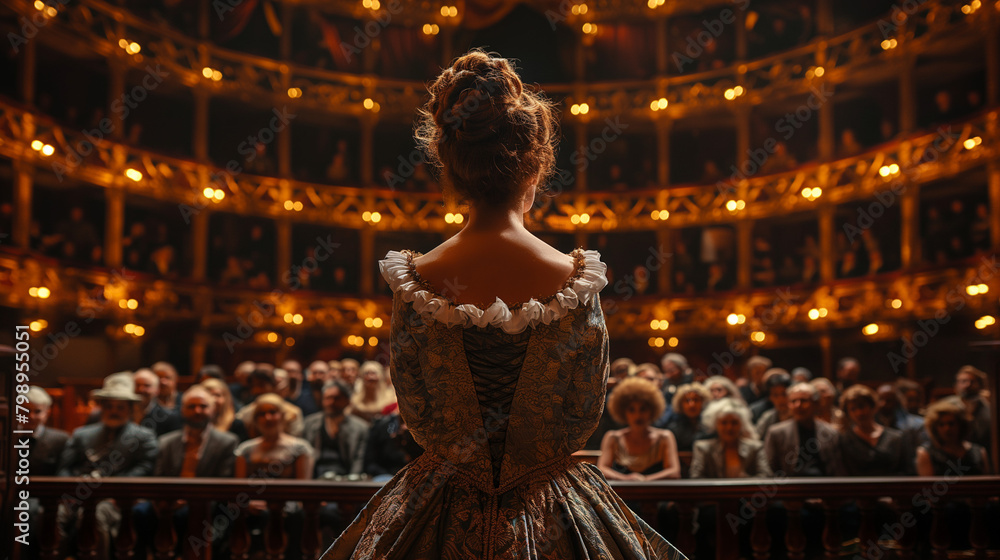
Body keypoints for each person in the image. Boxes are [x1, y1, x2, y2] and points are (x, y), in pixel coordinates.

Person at [320, 50, 684, 560]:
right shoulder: (575, 279)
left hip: (438, 507)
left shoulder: (416, 279)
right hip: (549, 508)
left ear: (452, 172)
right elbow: (583, 410)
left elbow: (417, 410)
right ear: (534, 171)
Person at [57, 374, 158, 558]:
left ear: (129, 409)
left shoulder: (144, 437)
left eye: (120, 407)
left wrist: (114, 489)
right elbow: (65, 466)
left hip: (117, 499)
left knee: (95, 516)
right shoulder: (82, 434)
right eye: (109, 406)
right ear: (101, 407)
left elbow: (145, 468)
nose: (114, 411)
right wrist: (68, 490)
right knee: (52, 515)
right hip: (78, 494)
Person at [236, 394, 314, 560]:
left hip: (289, 505)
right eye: (261, 414)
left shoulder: (300, 448)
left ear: (283, 416)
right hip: (254, 505)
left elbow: (303, 488)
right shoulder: (245, 449)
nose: (268, 418)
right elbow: (240, 487)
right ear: (255, 420)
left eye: (273, 412)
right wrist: (249, 503)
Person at [599, 377, 682, 481]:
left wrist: (645, 480)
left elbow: (674, 472)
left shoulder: (665, 437)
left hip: (656, 490)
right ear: (623, 412)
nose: (637, 415)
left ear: (652, 410)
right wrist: (625, 479)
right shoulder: (612, 437)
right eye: (631, 410)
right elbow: (602, 469)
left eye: (643, 409)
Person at [764, 382, 845, 476]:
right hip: (789, 483)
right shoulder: (776, 433)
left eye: (803, 400)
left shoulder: (830, 433)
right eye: (793, 401)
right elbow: (770, 469)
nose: (798, 405)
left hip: (824, 483)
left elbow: (838, 468)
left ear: (816, 403)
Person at [837, 385, 910, 476]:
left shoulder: (895, 438)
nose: (859, 413)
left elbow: (905, 469)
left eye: (862, 406)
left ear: (872, 406)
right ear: (848, 413)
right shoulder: (845, 440)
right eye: (853, 409)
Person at [303, 380, 368, 479]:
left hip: (346, 480)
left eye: (336, 398)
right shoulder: (309, 424)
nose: (331, 402)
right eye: (327, 398)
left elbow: (359, 460)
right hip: (315, 480)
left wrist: (353, 482)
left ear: (347, 401)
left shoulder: (360, 428)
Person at [691, 398, 770, 478]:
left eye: (734, 423)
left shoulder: (756, 448)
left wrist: (745, 480)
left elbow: (766, 475)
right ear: (715, 424)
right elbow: (696, 477)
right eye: (724, 423)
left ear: (742, 424)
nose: (729, 428)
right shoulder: (702, 449)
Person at [916, 398, 991, 476]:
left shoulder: (978, 452)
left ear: (960, 425)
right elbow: (928, 482)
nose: (947, 429)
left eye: (951, 424)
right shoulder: (926, 453)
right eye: (941, 425)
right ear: (935, 428)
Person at [945, 365, 992, 449]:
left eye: (972, 381)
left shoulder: (988, 408)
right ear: (956, 385)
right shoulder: (947, 406)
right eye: (963, 381)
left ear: (979, 385)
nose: (968, 385)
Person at [198, 377, 250, 441]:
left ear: (226, 398)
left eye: (217, 395)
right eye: (209, 394)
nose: (213, 399)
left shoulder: (236, 425)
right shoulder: (195, 423)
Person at [665, 383, 711, 453]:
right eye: (687, 400)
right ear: (680, 404)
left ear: (703, 402)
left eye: (696, 400)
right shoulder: (673, 429)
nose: (692, 404)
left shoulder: (710, 427)